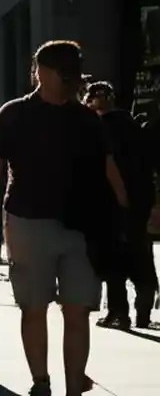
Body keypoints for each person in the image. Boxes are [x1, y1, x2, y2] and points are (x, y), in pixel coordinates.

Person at [0, 41, 129, 396]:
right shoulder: (16, 113)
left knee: (77, 310)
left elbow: (108, 167)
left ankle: (71, 387)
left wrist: (125, 213)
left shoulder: (85, 118)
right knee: (34, 307)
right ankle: (41, 381)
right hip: (27, 221)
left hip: (81, 226)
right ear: (46, 72)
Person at [85, 81, 158, 330]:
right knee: (140, 252)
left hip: (108, 202)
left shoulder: (97, 129)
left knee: (113, 258)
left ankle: (119, 312)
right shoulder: (135, 127)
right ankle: (144, 312)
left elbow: (102, 168)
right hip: (139, 200)